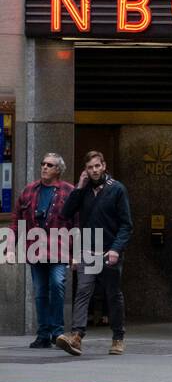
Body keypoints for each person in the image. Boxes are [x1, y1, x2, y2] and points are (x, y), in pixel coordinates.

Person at [56, 151, 132, 357]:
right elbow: (65, 214)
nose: (94, 170)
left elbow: (126, 225)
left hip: (109, 250)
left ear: (104, 166)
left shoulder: (117, 189)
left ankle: (118, 337)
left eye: (97, 166)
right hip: (87, 250)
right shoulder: (84, 190)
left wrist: (116, 249)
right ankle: (76, 336)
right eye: (90, 167)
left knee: (113, 295)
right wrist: (79, 187)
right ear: (86, 170)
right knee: (83, 291)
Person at [16, 153, 74, 348]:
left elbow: (78, 223)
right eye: (43, 164)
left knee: (57, 285)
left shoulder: (68, 191)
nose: (44, 167)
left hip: (60, 249)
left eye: (49, 165)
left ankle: (57, 332)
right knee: (40, 292)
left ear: (58, 169)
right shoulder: (29, 190)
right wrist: (9, 247)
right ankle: (43, 334)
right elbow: (17, 220)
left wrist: (76, 254)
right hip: (36, 249)